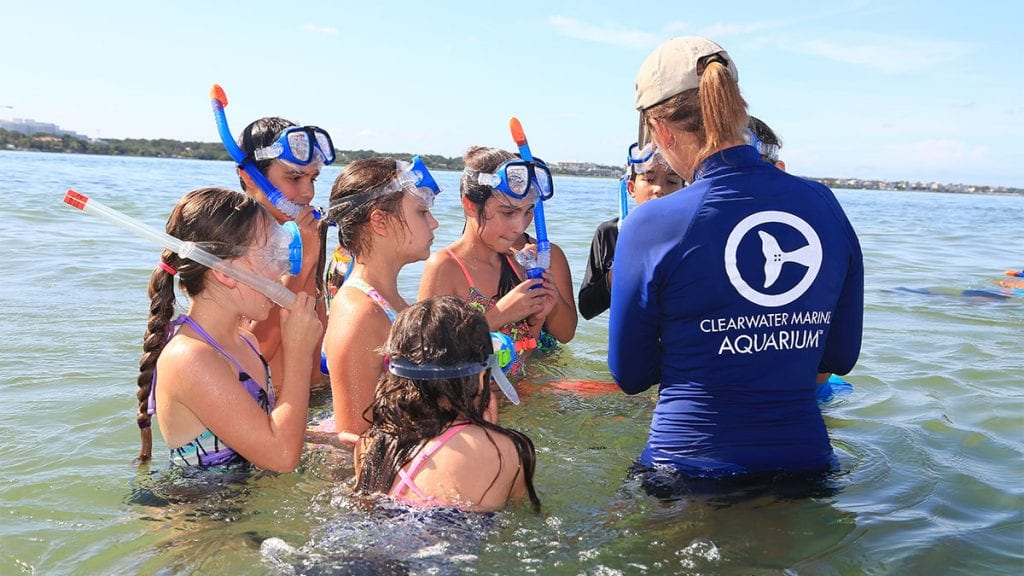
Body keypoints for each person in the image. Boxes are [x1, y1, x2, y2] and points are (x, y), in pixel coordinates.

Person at [609, 36, 863, 488]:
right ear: (735, 107)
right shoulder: (824, 204)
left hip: (685, 467)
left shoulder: (649, 224)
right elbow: (840, 355)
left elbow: (630, 375)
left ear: (660, 131)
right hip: (805, 466)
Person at [135, 187, 322, 471]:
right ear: (225, 272)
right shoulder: (189, 358)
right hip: (199, 512)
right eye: (270, 257)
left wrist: (324, 440)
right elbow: (281, 458)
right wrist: (298, 354)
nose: (280, 272)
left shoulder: (244, 340)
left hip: (242, 505)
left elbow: (258, 429)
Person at [354, 296, 541, 512]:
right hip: (452, 538)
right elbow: (521, 513)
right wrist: (489, 432)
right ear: (481, 378)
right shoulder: (508, 451)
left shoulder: (369, 444)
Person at [321, 157, 440, 442]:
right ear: (379, 221)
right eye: (422, 212)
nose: (434, 223)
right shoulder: (359, 312)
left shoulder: (392, 303)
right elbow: (353, 436)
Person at [418, 146, 557, 380]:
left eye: (527, 213)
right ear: (470, 205)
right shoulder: (444, 267)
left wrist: (538, 317)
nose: (519, 227)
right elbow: (427, 359)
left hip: (514, 398)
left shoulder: (516, 264)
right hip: (469, 408)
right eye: (508, 213)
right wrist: (499, 315)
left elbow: (522, 352)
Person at [237, 118, 333, 390]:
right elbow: (252, 354)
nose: (308, 192)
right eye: (294, 177)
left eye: (312, 178)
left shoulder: (303, 239)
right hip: (274, 411)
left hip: (315, 401)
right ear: (249, 176)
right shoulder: (237, 251)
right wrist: (302, 266)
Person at [578, 145, 685, 320]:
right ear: (631, 188)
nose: (659, 188)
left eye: (672, 182)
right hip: (632, 340)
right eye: (649, 179)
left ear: (684, 189)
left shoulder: (692, 235)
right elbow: (587, 309)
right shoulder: (610, 233)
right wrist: (615, 275)